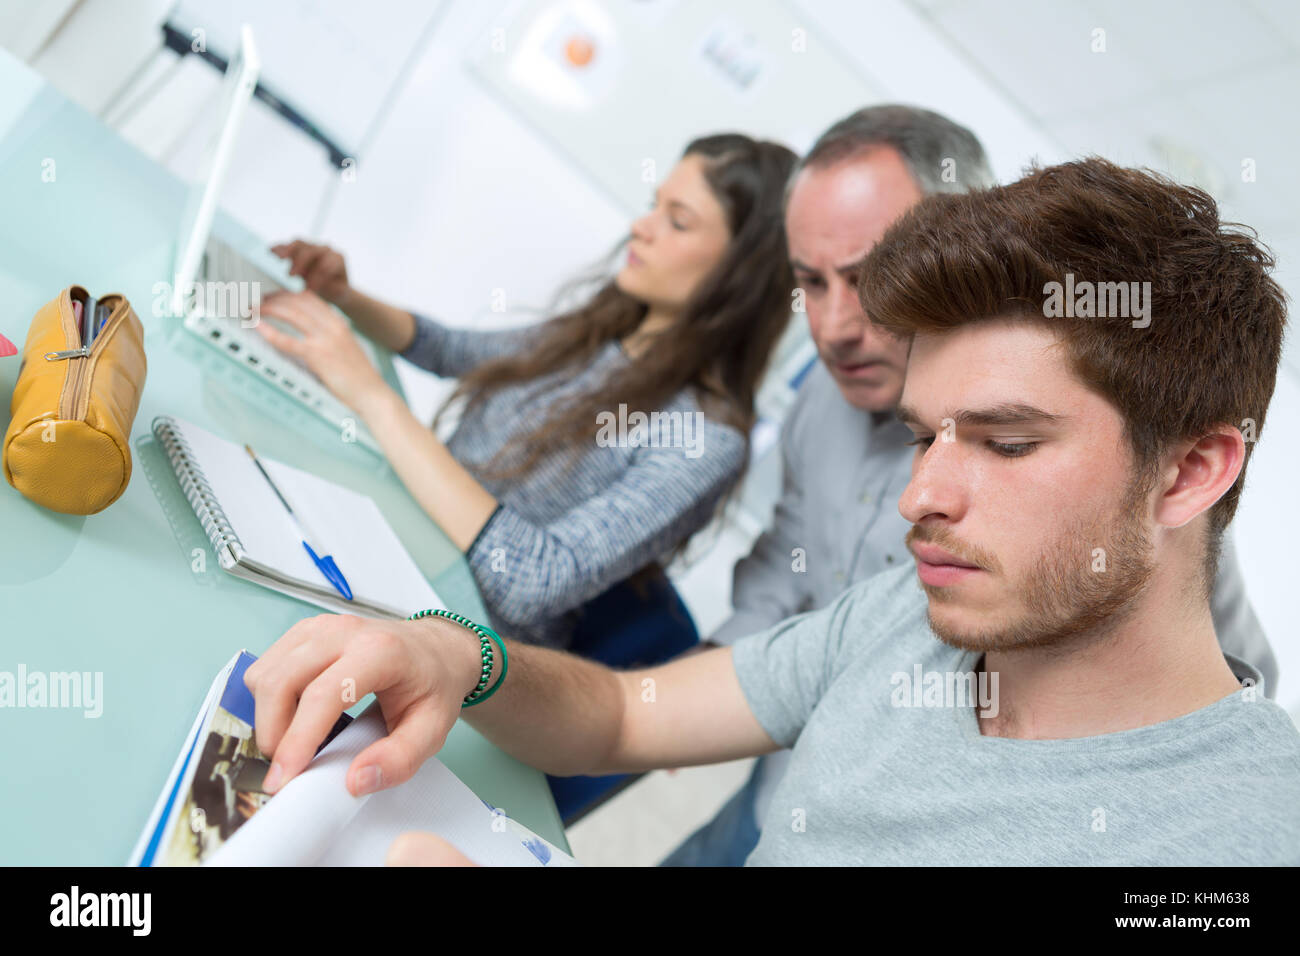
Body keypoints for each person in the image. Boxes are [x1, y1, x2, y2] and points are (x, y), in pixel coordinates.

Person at [243, 157, 1300, 866]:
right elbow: (623, 715)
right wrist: (455, 655)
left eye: (1007, 441)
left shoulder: (1236, 839)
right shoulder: (905, 614)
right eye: (926, 434)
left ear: (1187, 472)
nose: (918, 495)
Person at [663, 105, 1278, 865]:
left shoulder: (1141, 522)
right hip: (792, 781)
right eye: (809, 284)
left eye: (1009, 444)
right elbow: (785, 560)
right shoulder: (822, 408)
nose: (835, 325)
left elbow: (1214, 706)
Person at [256, 134, 797, 648]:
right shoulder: (602, 332)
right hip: (400, 549)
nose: (641, 227)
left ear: (740, 272)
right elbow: (450, 350)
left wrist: (374, 398)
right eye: (653, 206)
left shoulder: (705, 437)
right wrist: (345, 296)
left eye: (677, 222)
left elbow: (535, 578)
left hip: (448, 632)